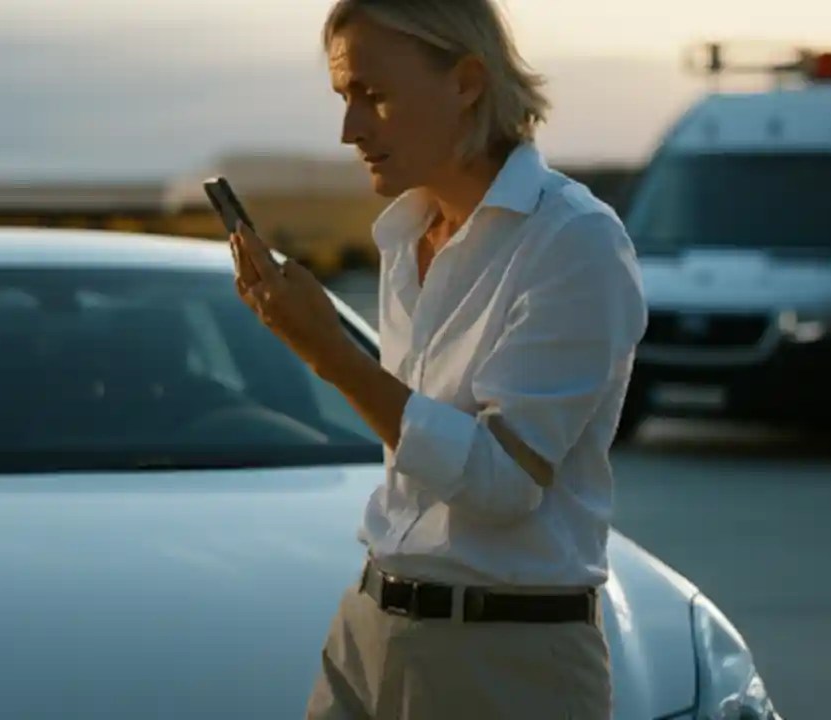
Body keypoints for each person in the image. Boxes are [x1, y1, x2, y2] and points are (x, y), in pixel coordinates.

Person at [226, 0, 647, 717]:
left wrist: (329, 351)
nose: (349, 129)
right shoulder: (407, 234)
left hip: (501, 656)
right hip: (370, 625)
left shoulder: (573, 242)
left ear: (466, 82)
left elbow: (503, 481)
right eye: (343, 97)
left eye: (374, 95)